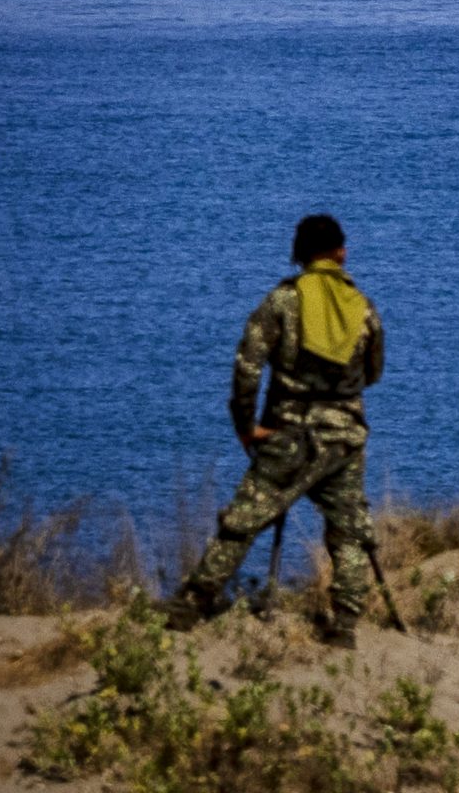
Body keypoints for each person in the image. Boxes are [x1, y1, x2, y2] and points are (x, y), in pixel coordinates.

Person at [162, 214, 386, 649]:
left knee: (243, 521)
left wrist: (247, 428)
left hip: (287, 433)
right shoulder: (364, 309)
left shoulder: (281, 302)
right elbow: (373, 373)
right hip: (344, 438)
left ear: (299, 255)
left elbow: (247, 367)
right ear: (341, 252)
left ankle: (191, 605)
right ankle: (344, 625)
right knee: (348, 532)